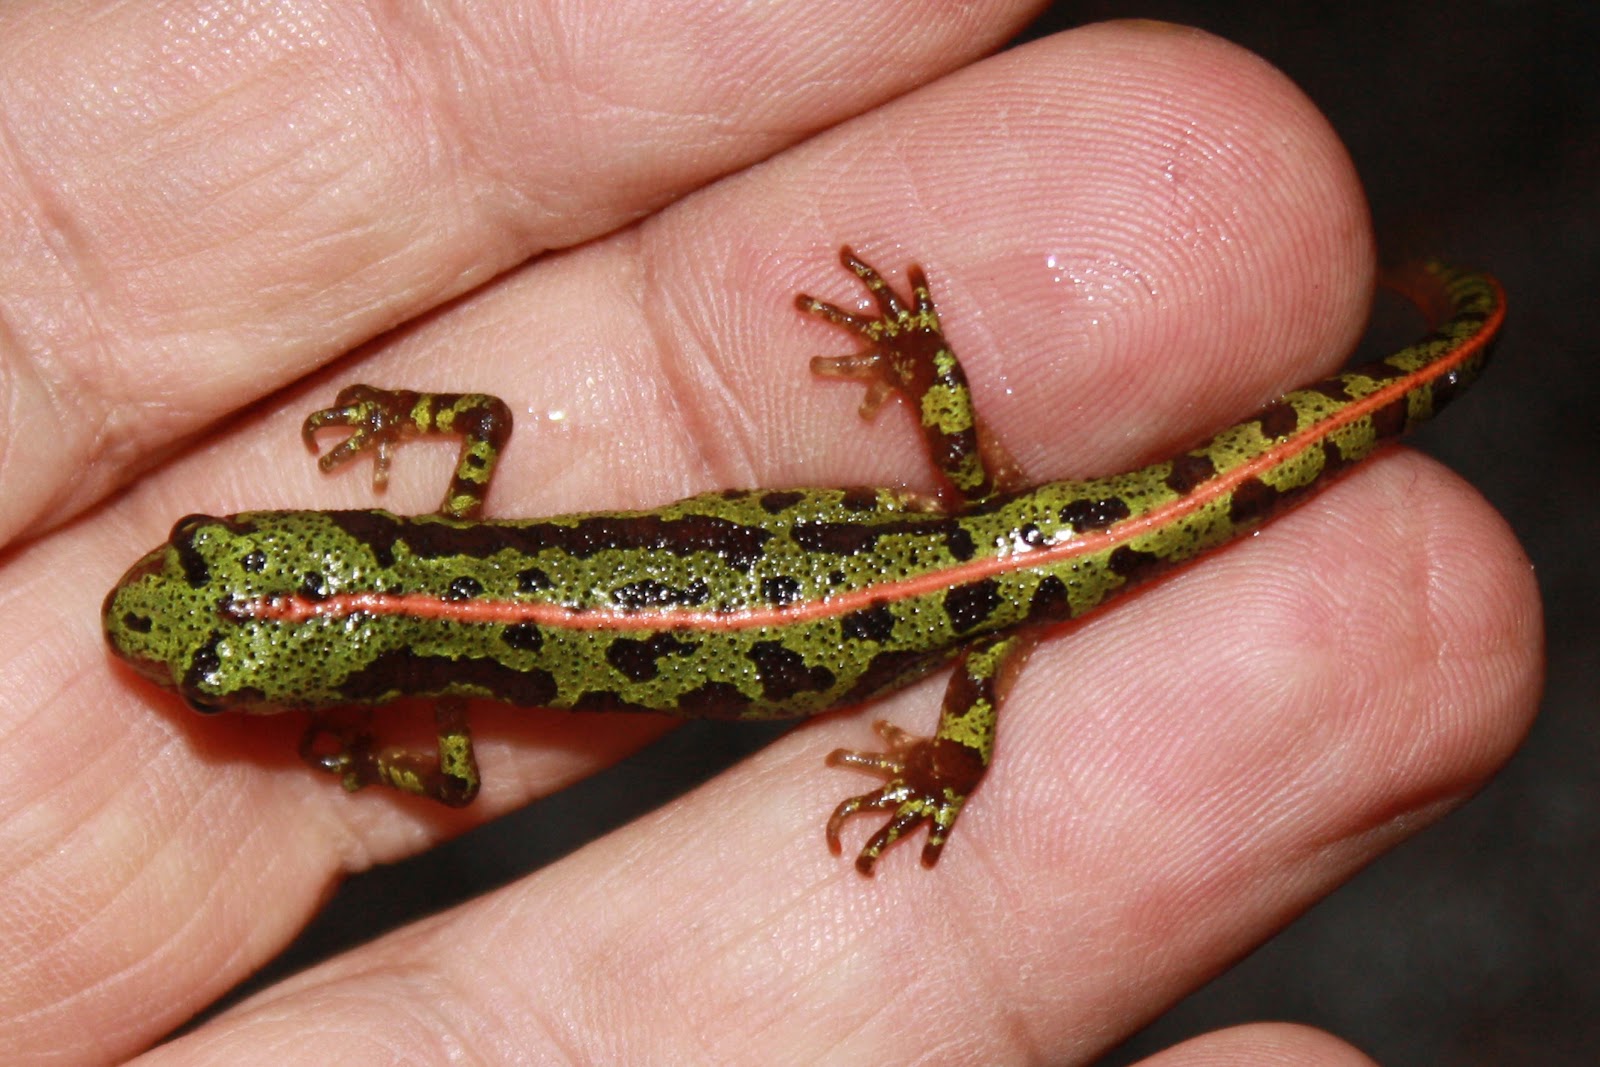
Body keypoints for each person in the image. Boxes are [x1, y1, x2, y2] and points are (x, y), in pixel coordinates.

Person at [0, 7, 1540, 1063]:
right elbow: (471, 430)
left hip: (965, 589)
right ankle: (1407, 342)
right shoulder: (443, 547)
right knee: (994, 578)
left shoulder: (435, 686)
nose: (184, 582)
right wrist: (398, 420)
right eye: (225, 653)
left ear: (325, 541)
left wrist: (352, 751)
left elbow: (453, 761)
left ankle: (1438, 342)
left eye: (207, 548)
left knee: (1003, 588)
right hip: (951, 564)